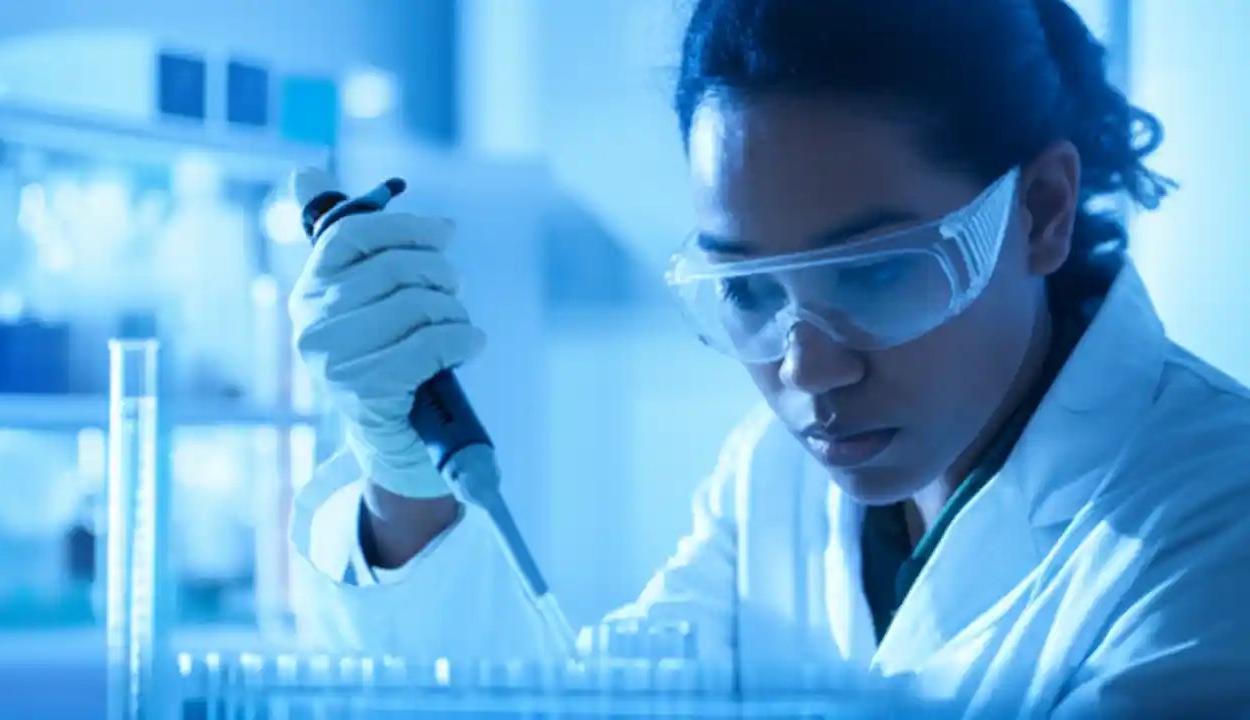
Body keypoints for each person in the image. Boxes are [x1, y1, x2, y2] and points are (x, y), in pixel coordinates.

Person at [286, 0, 1250, 715]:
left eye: (876, 273)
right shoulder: (772, 480)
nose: (809, 372)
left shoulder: (1219, 512)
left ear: (1039, 212)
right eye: (747, 290)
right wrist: (405, 487)